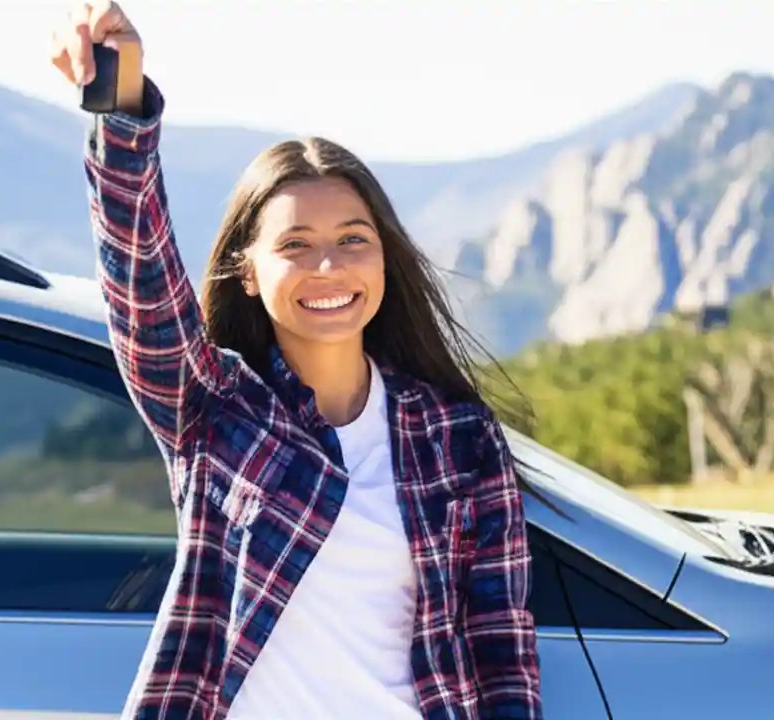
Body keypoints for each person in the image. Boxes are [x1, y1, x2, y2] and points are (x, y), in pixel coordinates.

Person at [51, 2, 542, 718]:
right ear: (248, 270)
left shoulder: (456, 436)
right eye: (294, 245)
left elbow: (502, 644)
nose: (328, 267)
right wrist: (122, 114)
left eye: (352, 240)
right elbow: (142, 284)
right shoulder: (215, 411)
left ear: (384, 257)